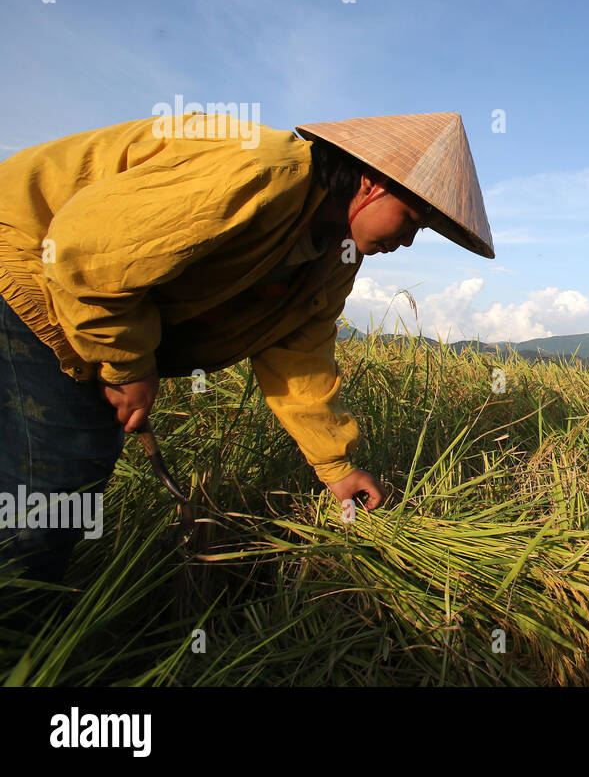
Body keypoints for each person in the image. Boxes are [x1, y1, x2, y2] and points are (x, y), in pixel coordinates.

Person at [0, 111, 493, 582]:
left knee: (66, 468)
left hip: (76, 305)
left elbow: (299, 356)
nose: (407, 241)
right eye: (411, 218)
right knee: (61, 473)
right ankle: (23, 634)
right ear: (373, 182)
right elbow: (84, 252)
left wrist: (336, 467)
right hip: (25, 266)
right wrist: (128, 367)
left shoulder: (334, 256)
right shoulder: (261, 172)